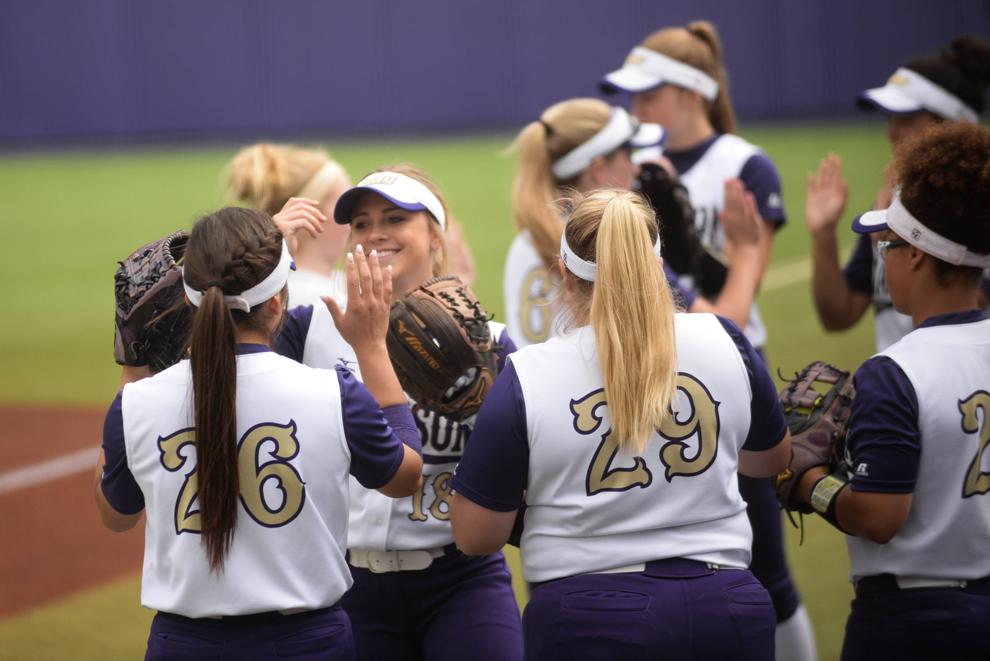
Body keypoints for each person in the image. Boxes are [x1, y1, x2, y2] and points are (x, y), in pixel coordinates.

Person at [451, 189, 791, 660]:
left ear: (564, 274)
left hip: (589, 618)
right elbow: (770, 460)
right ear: (657, 267)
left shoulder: (528, 375)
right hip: (726, 607)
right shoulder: (724, 337)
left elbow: (475, 535)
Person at [94, 207, 424, 660]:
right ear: (276, 303)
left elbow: (116, 516)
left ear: (188, 301)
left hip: (184, 646)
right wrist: (370, 347)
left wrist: (134, 370)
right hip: (307, 644)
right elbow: (405, 477)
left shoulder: (137, 403)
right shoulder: (334, 393)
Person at [600, 22, 813, 659]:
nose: (638, 107)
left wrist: (702, 251)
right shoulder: (632, 164)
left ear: (693, 93)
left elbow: (738, 291)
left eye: (650, 93)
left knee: (764, 562)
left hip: (731, 364)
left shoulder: (744, 165)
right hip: (648, 369)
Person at [272, 165, 524, 661]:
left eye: (395, 218)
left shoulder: (491, 344)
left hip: (462, 580)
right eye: (361, 224)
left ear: (436, 236)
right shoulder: (312, 327)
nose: (376, 233)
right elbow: (222, 365)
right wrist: (267, 254)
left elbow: (525, 470)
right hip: (348, 584)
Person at [790, 122, 990, 661]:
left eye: (887, 245)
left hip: (916, 621)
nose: (883, 256)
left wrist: (807, 482)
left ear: (917, 254)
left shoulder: (894, 372)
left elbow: (878, 516)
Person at [504, 97, 764, 347]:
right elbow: (723, 334)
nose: (636, 168)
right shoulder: (615, 238)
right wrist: (746, 249)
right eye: (628, 154)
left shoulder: (526, 241)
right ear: (597, 168)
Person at [805, 36, 990, 351]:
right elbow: (839, 314)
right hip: (898, 379)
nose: (890, 132)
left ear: (953, 127)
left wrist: (900, 242)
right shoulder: (888, 207)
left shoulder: (978, 211)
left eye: (905, 119)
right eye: (889, 119)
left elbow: (962, 310)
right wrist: (824, 234)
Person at [228, 143, 354, 305]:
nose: (353, 214)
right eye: (343, 203)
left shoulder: (273, 290)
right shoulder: (322, 300)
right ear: (307, 211)